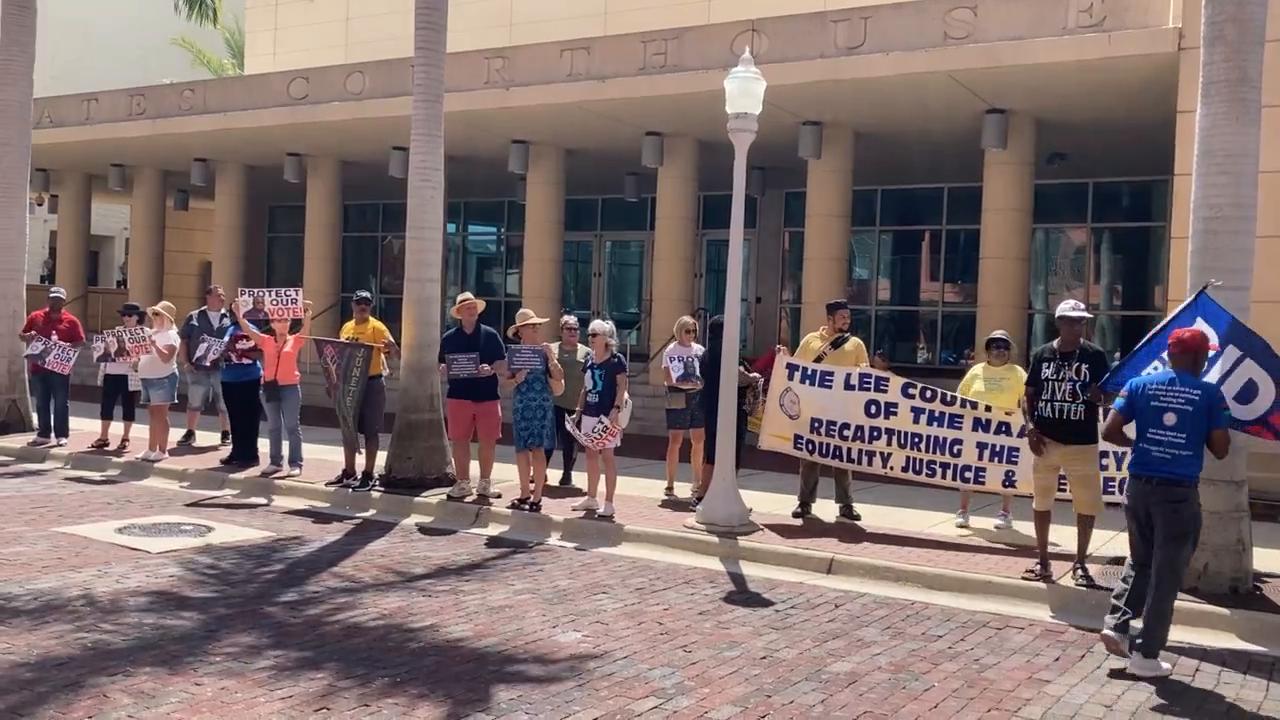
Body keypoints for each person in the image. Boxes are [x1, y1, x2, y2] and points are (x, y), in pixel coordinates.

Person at [1098, 328, 1230, 678]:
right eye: (1206, 356)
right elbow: (1220, 449)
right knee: (1167, 574)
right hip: (1177, 494)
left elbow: (1109, 431)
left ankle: (1118, 624)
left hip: (1139, 486)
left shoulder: (1139, 385)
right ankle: (1146, 654)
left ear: (1170, 355)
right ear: (1200, 357)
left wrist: (1140, 447)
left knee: (1140, 560)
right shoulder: (1209, 394)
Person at [1021, 299, 1112, 585]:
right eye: (1071, 320)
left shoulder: (1095, 356)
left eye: (1081, 321)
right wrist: (1030, 428)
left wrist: (1101, 396)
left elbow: (1108, 396)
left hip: (1082, 443)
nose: (1077, 325)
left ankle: (1081, 563)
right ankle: (1044, 561)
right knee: (1041, 502)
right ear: (1059, 322)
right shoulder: (1042, 354)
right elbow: (1028, 396)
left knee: (1086, 505)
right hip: (1045, 441)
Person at [777, 299, 868, 523]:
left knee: (842, 459)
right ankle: (805, 502)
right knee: (809, 458)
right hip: (814, 411)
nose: (847, 320)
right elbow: (796, 370)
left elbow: (865, 375)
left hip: (842, 412)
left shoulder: (855, 344)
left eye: (848, 316)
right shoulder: (810, 341)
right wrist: (785, 358)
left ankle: (846, 505)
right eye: (842, 317)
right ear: (830, 319)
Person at [954, 329, 1027, 530]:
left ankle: (1005, 513)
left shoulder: (1018, 373)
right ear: (987, 350)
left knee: (1006, 471)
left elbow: (1027, 401)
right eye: (996, 346)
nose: (1000, 351)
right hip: (976, 430)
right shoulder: (976, 371)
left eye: (1005, 347)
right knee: (969, 469)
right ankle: (963, 511)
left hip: (1007, 431)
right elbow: (960, 397)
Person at [326, 290, 398, 492]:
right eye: (359, 303)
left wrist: (393, 347)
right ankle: (349, 472)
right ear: (353, 305)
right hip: (349, 384)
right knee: (348, 428)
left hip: (372, 384)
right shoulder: (346, 327)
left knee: (371, 431)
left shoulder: (377, 327)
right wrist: (332, 381)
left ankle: (368, 474)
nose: (363, 306)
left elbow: (394, 353)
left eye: (367, 303)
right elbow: (339, 357)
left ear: (371, 306)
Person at [233, 295, 312, 478]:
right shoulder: (266, 340)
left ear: (290, 322)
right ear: (273, 324)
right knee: (274, 426)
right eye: (278, 320)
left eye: (285, 320)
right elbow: (248, 331)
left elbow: (306, 330)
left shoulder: (295, 340)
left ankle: (295, 463)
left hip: (290, 387)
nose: (282, 323)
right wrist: (239, 314)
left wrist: (307, 313)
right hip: (269, 386)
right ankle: (275, 462)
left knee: (292, 426)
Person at [442, 292, 507, 501]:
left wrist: (492, 368)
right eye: (467, 308)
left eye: (473, 307)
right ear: (459, 313)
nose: (471, 310)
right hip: (458, 396)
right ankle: (462, 483)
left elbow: (503, 363)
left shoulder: (490, 335)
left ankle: (485, 483)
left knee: (488, 441)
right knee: (459, 441)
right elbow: (440, 363)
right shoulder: (449, 338)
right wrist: (443, 368)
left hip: (487, 396)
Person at [693, 315, 762, 508]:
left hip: (711, 408)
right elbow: (740, 377)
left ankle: (702, 495)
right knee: (732, 454)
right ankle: (726, 495)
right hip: (731, 409)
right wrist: (754, 377)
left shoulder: (707, 354)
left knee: (712, 453)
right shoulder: (728, 353)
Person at [503, 308, 565, 513]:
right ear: (521, 331)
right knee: (521, 449)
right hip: (522, 404)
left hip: (541, 404)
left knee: (538, 449)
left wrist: (552, 358)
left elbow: (559, 376)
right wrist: (515, 379)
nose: (537, 328)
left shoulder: (544, 351)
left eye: (538, 325)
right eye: (532, 325)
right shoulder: (514, 354)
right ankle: (524, 493)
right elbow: (505, 383)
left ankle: (537, 495)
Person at [571, 319, 629, 519]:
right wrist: (578, 410)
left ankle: (609, 502)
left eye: (595, 334)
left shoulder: (616, 360)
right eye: (589, 334)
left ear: (606, 337)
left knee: (608, 457)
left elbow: (622, 387)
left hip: (607, 415)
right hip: (590, 412)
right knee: (590, 455)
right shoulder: (589, 359)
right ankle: (591, 497)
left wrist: (616, 408)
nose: (591, 338)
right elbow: (585, 388)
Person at [20, 286, 85, 448]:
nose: (55, 301)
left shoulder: (72, 321)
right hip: (38, 368)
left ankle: (61, 435)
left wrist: (67, 345)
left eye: (58, 299)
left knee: (61, 402)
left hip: (60, 369)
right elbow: (23, 335)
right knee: (41, 401)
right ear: (48, 299)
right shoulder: (35, 317)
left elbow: (80, 342)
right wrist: (28, 336)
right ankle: (43, 434)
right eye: (52, 298)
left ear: (64, 301)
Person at [177, 285, 231, 448]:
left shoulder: (229, 317)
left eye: (223, 296)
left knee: (224, 401)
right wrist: (185, 362)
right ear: (208, 297)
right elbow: (184, 340)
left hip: (222, 368)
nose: (222, 299)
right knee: (194, 401)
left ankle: (226, 432)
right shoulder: (194, 317)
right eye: (218, 295)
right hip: (197, 368)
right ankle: (190, 432)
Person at [661, 315, 706, 499]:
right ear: (679, 331)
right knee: (675, 440)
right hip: (677, 396)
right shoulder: (670, 351)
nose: (691, 335)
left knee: (698, 439)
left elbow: (705, 373)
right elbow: (668, 378)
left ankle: (697, 481)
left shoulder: (700, 351)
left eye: (694, 331)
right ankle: (670, 483)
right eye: (687, 331)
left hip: (697, 396)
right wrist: (688, 383)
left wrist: (699, 384)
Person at [90, 302, 145, 452]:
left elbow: (147, 355)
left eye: (129, 315)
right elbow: (104, 352)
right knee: (106, 405)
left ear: (137, 317)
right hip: (111, 373)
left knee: (128, 406)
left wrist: (137, 360)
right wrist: (100, 348)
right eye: (123, 315)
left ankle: (126, 437)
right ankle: (103, 437)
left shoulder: (143, 334)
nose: (125, 318)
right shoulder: (115, 332)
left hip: (129, 376)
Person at [546, 315, 590, 487]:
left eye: (576, 329)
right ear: (561, 331)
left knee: (570, 443)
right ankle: (541, 471)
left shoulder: (586, 352)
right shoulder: (551, 349)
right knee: (548, 439)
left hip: (574, 405)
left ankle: (567, 474)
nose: (573, 332)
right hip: (553, 402)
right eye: (569, 329)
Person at [135, 302, 181, 462]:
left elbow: (166, 358)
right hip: (148, 377)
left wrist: (153, 345)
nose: (154, 317)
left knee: (161, 414)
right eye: (153, 314)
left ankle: (162, 449)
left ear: (166, 317)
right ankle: (151, 448)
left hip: (164, 377)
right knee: (153, 413)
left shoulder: (171, 335)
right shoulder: (152, 333)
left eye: (157, 314)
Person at [219, 310, 264, 468]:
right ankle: (237, 452)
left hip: (249, 378)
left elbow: (260, 352)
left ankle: (250, 455)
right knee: (235, 417)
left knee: (249, 418)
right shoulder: (227, 328)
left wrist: (242, 351)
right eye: (233, 310)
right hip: (229, 378)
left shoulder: (251, 329)